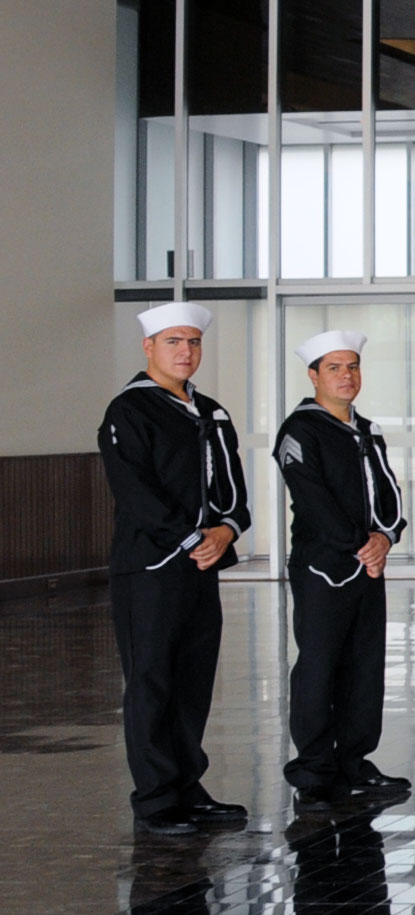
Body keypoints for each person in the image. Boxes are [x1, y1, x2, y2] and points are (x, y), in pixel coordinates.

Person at [100, 301, 251, 835]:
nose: (185, 352)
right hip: (151, 568)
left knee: (192, 680)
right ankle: (157, 796)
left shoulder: (210, 411)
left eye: (192, 342)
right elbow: (136, 492)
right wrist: (192, 537)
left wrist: (227, 530)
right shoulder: (130, 410)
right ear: (148, 348)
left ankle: (189, 785)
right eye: (173, 342)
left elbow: (233, 488)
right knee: (151, 680)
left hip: (200, 568)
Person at [276, 329, 409, 808]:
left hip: (368, 567)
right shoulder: (300, 430)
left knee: (365, 666)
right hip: (324, 569)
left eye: (352, 366)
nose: (346, 375)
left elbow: (389, 495)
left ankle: (354, 761)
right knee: (319, 665)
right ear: (313, 375)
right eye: (334, 367)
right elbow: (313, 500)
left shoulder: (367, 429)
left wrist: (386, 535)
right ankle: (313, 770)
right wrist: (361, 544)